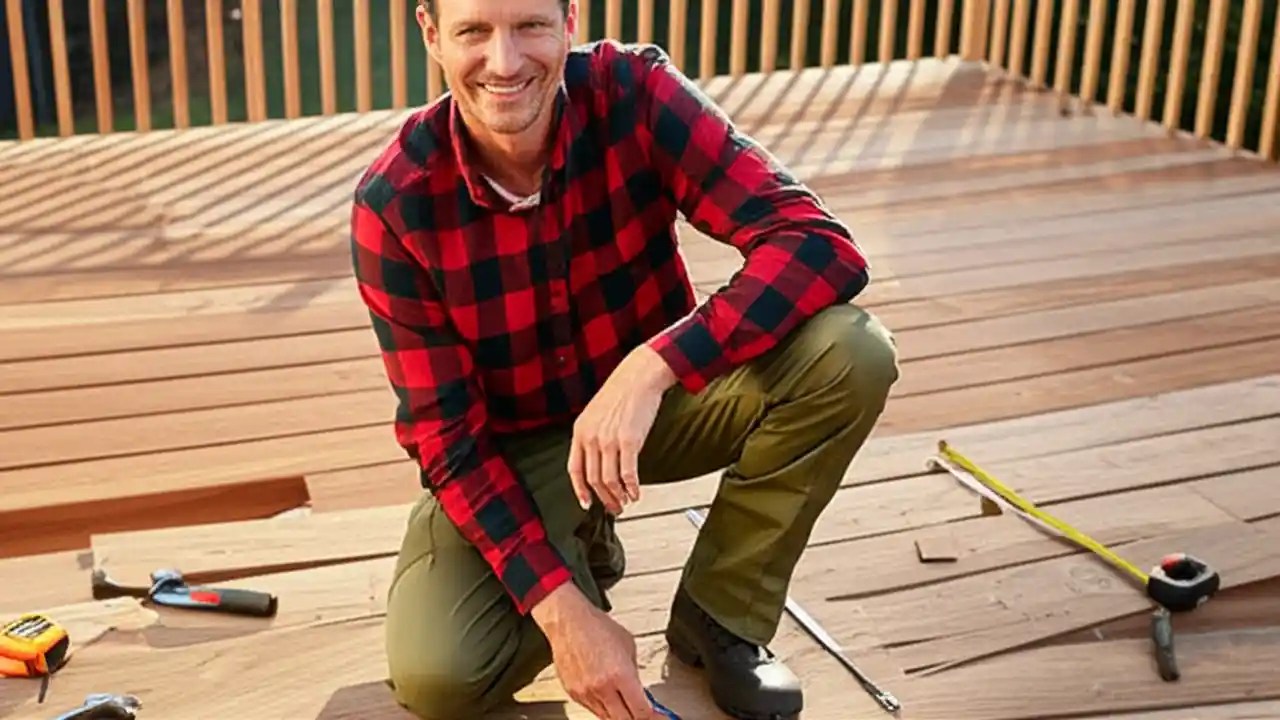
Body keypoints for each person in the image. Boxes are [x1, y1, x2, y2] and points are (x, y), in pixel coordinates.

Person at [347, 0, 899, 718]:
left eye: (531, 26)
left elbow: (819, 245)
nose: (506, 61)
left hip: (656, 409)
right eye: (475, 32)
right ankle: (583, 549)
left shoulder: (635, 94)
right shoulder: (394, 205)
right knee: (440, 676)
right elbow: (447, 441)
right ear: (432, 35)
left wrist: (654, 364)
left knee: (849, 352)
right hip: (514, 449)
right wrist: (563, 611)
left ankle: (722, 614)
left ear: (570, 18)